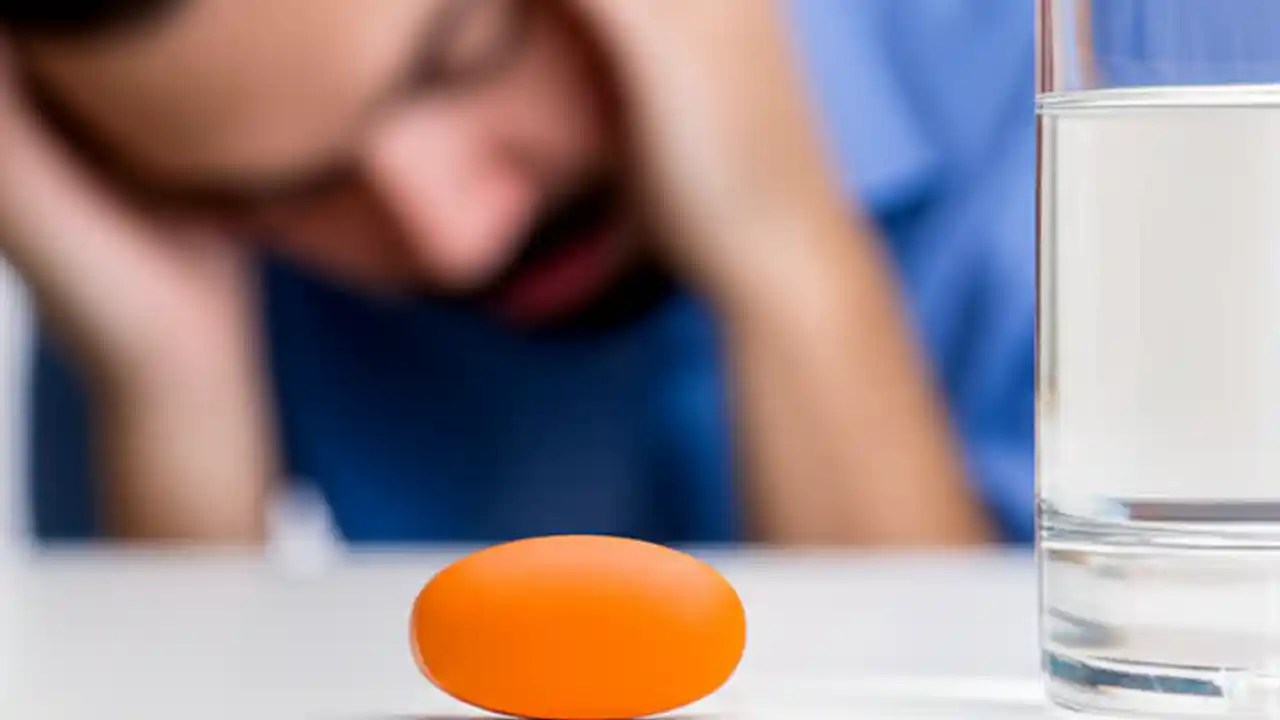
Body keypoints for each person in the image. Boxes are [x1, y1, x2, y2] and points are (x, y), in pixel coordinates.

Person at [0, 0, 1034, 545]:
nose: (456, 236)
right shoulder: (166, 240)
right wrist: (173, 395)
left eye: (461, 51)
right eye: (292, 192)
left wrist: (789, 260)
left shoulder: (1079, 70)